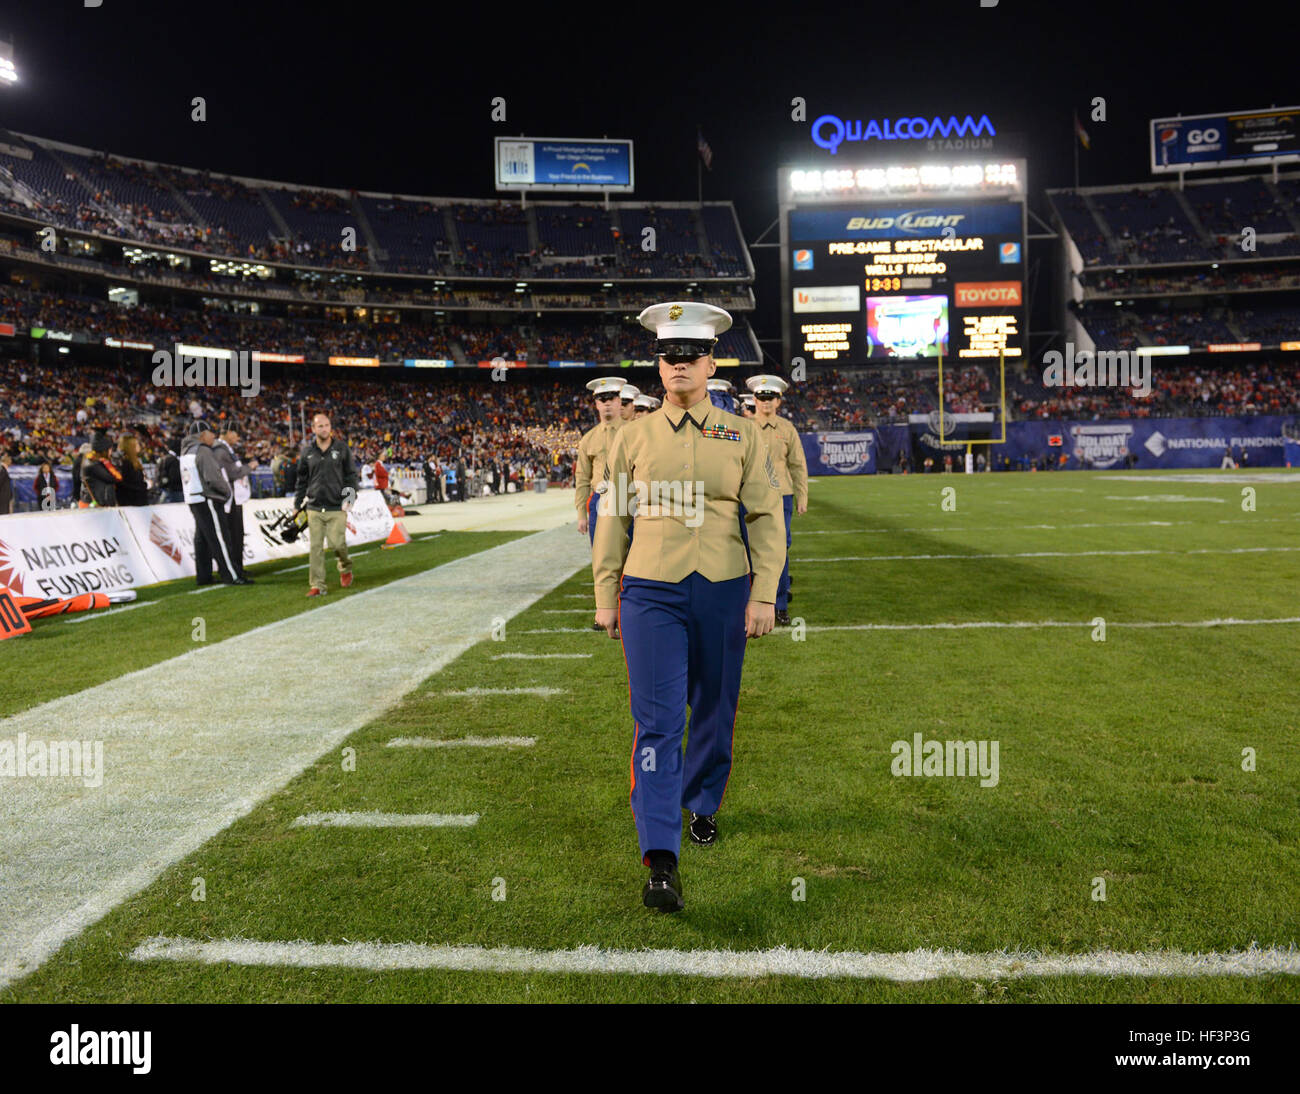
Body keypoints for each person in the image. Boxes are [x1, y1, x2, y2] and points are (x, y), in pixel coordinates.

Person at [593, 300, 784, 913]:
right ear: (659, 364)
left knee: (715, 706)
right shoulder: (631, 436)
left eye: (691, 355)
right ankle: (660, 858)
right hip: (649, 589)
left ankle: (702, 803)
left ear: (710, 362)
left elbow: (766, 515)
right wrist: (606, 593)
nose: (679, 364)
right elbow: (613, 516)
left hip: (725, 587)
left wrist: (763, 593)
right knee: (656, 724)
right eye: (669, 355)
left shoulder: (744, 433)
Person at [746, 375, 808, 627]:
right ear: (754, 400)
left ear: (779, 401)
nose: (766, 402)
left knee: (779, 552)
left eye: (770, 397)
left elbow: (798, 464)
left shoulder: (787, 429)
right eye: (761, 397)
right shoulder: (744, 427)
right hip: (750, 497)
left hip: (781, 496)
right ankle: (751, 604)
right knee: (748, 551)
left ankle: (780, 606)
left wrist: (802, 495)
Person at [293, 412, 359, 597]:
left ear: (331, 427)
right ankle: (317, 585)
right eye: (320, 426)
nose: (324, 429)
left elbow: (351, 476)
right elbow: (302, 480)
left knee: (337, 544)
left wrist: (350, 498)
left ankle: (345, 567)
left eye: (327, 425)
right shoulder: (307, 452)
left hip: (336, 506)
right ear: (313, 429)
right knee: (315, 548)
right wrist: (297, 504)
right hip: (314, 508)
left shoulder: (342, 448)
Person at [180, 421, 244, 586]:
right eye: (211, 432)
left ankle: (204, 576)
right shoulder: (203, 450)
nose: (214, 436)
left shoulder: (186, 450)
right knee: (221, 538)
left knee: (201, 539)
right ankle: (232, 575)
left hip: (193, 499)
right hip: (207, 498)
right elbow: (213, 478)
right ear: (203, 435)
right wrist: (226, 492)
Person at [215, 429, 256, 582]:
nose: (238, 437)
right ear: (228, 433)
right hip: (229, 499)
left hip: (234, 498)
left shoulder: (225, 449)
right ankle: (234, 568)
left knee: (237, 534)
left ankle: (238, 566)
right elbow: (232, 473)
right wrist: (249, 467)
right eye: (236, 433)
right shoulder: (221, 450)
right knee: (233, 534)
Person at [80, 432, 122, 507]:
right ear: (104, 450)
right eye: (109, 449)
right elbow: (113, 478)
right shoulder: (93, 465)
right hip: (93, 505)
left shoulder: (96, 462)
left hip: (98, 504)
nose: (111, 452)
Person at [114, 434, 149, 506]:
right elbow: (124, 483)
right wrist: (143, 486)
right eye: (136, 444)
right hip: (131, 502)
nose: (139, 446)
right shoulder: (124, 462)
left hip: (137, 499)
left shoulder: (133, 460)